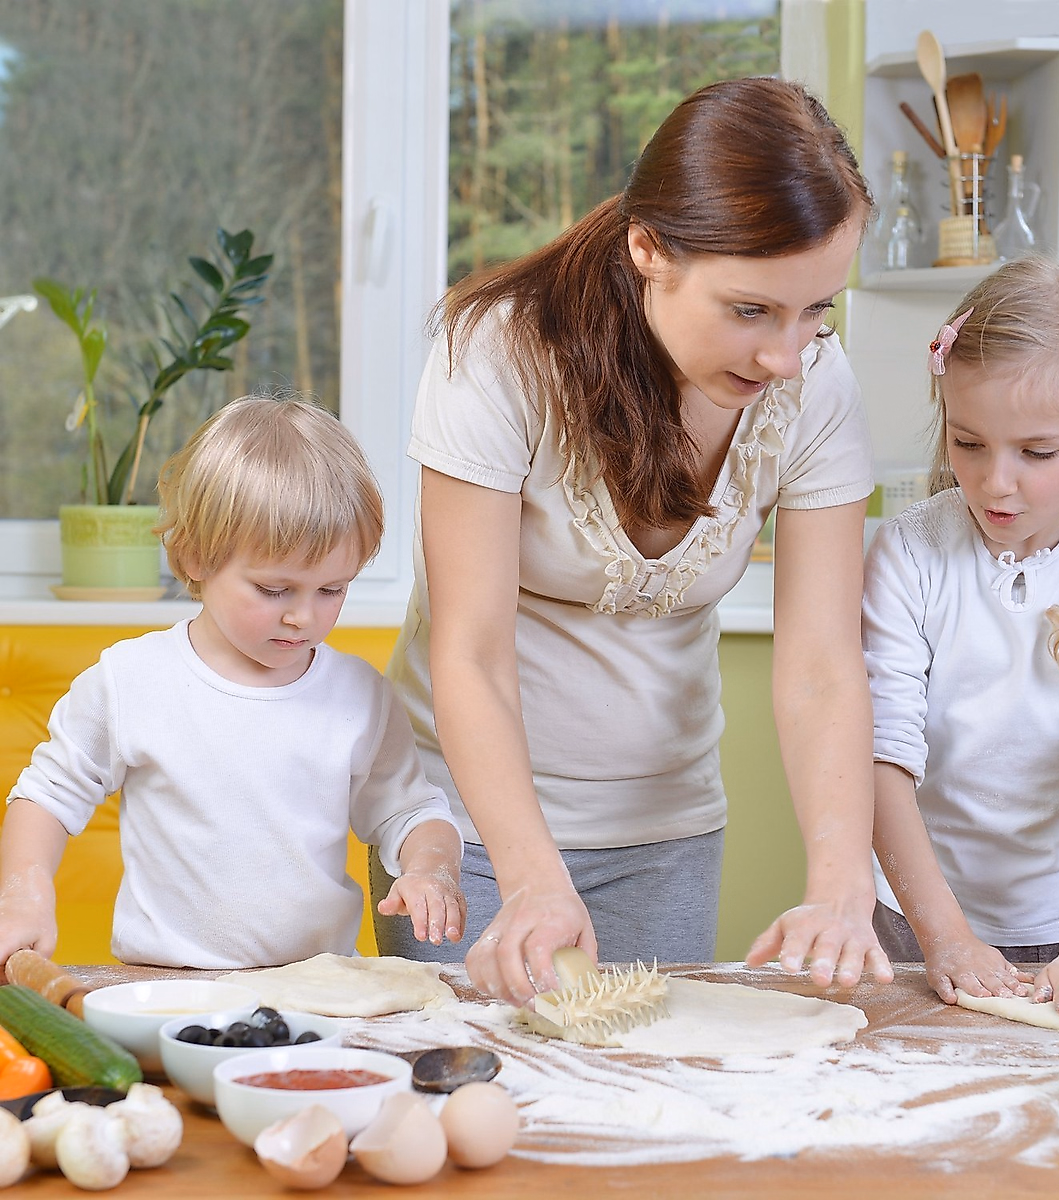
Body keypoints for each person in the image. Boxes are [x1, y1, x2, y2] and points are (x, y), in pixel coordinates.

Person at [369, 76, 894, 1005]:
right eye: (750, 310)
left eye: (817, 311)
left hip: (667, 829)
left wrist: (843, 882)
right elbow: (473, 651)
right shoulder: (496, 355)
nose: (784, 357)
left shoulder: (815, 385)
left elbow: (820, 664)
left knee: (646, 1101)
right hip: (469, 835)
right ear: (649, 249)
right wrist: (531, 876)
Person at [0, 395, 465, 970]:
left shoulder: (361, 697)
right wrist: (23, 892)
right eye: (274, 590)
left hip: (317, 991)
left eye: (332, 590)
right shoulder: (131, 681)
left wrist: (429, 866)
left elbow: (409, 813)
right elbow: (47, 795)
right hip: (164, 986)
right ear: (195, 556)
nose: (305, 617)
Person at [863, 257, 1059, 1019]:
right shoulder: (909, 553)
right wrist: (943, 933)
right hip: (913, 922)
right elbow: (879, 754)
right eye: (968, 443)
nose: (994, 481)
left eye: (1035, 453)